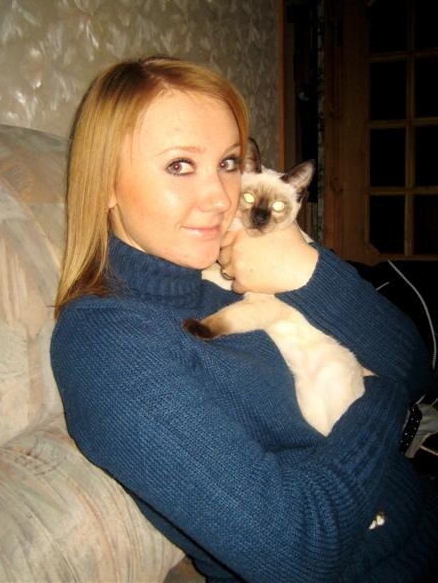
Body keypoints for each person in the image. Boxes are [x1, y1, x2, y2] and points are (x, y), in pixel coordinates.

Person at [51, 57, 438, 582]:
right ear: (106, 183)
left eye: (228, 163)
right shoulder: (109, 346)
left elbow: (415, 369)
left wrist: (307, 272)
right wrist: (380, 400)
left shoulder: (226, 271)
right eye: (180, 165)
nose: (220, 197)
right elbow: (298, 553)